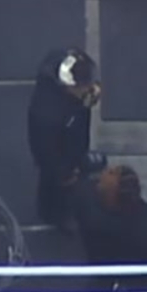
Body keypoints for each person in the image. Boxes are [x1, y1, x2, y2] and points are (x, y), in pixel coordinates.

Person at [27, 48, 105, 229]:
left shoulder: (68, 63)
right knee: (53, 185)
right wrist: (63, 173)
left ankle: (80, 160)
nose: (90, 87)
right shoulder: (47, 114)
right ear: (70, 87)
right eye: (85, 86)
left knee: (77, 154)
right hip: (57, 157)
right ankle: (53, 215)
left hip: (72, 136)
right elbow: (45, 151)